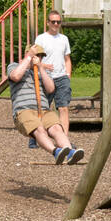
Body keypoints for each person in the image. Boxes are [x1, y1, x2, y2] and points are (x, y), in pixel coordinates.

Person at [7, 44, 83, 164]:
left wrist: (41, 68)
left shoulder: (42, 73)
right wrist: (29, 57)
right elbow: (15, 76)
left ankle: (70, 153)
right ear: (29, 55)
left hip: (43, 109)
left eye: (41, 57)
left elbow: (51, 89)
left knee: (57, 128)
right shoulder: (15, 66)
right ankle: (56, 152)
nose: (39, 58)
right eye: (37, 55)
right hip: (24, 110)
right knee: (39, 129)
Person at [30, 9, 72, 148]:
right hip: (45, 77)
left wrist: (68, 74)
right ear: (48, 23)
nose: (55, 24)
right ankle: (36, 136)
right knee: (42, 108)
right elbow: (34, 59)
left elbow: (67, 58)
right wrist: (42, 66)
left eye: (58, 22)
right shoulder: (41, 38)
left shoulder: (64, 39)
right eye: (53, 21)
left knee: (63, 108)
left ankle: (64, 140)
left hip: (61, 77)